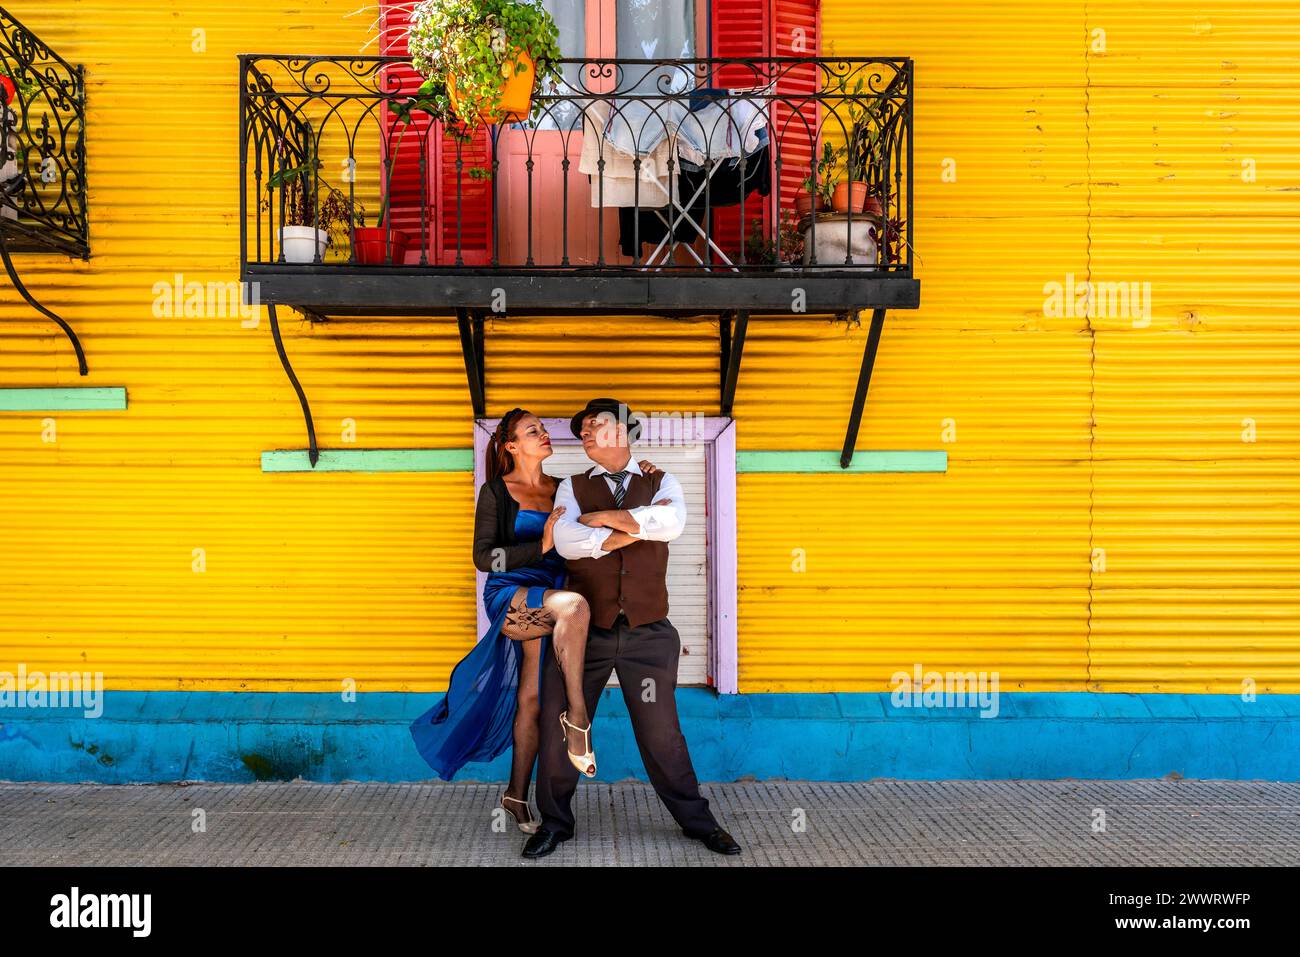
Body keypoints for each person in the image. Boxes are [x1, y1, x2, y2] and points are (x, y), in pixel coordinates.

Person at [522, 398, 743, 858]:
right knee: (562, 725)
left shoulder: (662, 479)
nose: (584, 433)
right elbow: (567, 542)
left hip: (649, 632)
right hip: (584, 633)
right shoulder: (572, 487)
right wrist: (638, 527)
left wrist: (601, 521)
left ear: (621, 432)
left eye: (594, 426)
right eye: (580, 429)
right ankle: (555, 824)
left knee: (661, 733)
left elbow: (674, 521)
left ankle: (697, 822)